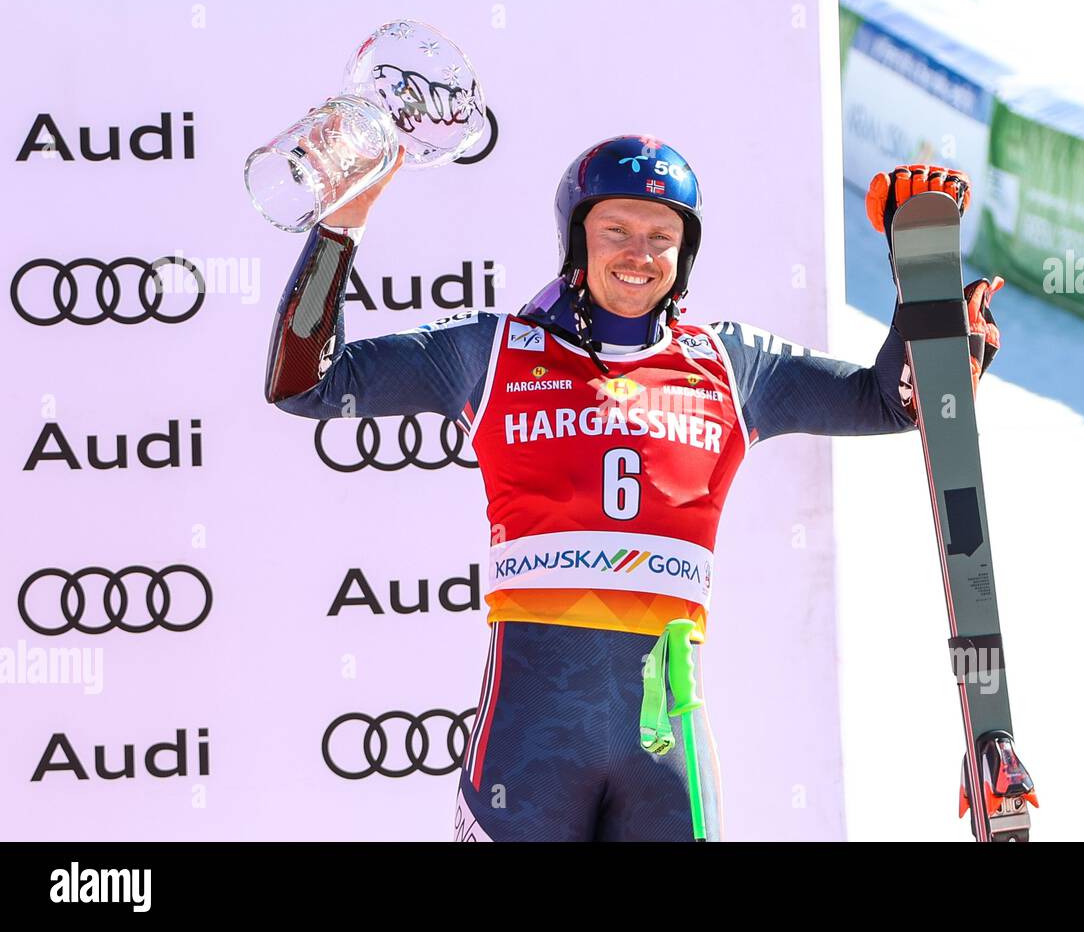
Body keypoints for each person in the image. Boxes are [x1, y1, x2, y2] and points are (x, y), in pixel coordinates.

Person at [264, 136, 1002, 841]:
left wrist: (926, 303)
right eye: (615, 229)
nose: (639, 254)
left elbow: (888, 402)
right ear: (576, 241)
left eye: (661, 236)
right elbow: (304, 383)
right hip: (529, 752)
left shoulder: (731, 365)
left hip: (666, 755)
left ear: (685, 254)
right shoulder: (491, 352)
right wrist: (341, 226)